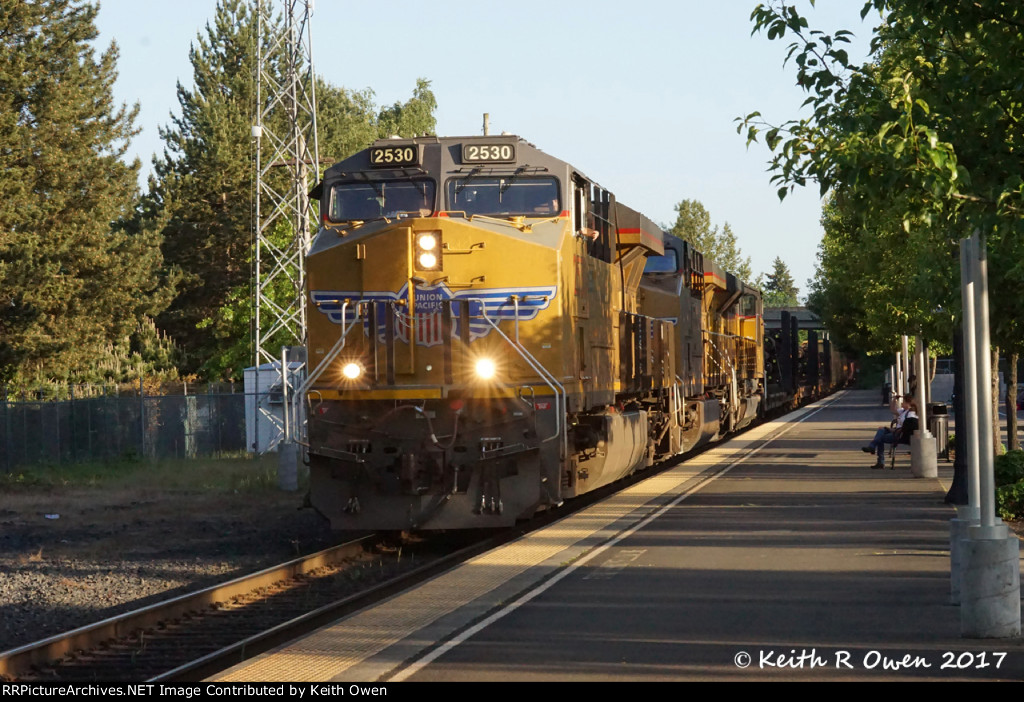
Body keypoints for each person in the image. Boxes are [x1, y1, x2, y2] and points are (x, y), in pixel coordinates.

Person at [862, 395, 919, 469]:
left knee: (880, 438)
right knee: (881, 430)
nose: (901, 403)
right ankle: (873, 448)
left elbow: (907, 428)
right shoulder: (904, 411)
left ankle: (879, 459)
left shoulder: (911, 414)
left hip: (900, 435)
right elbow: (892, 410)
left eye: (903, 402)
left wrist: (893, 430)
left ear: (908, 403)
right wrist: (894, 400)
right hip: (897, 432)